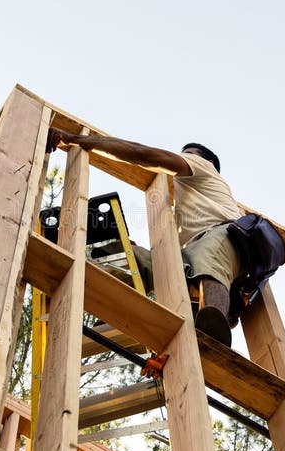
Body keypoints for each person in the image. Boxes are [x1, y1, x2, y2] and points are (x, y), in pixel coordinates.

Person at [46, 127, 244, 346]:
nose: (182, 157)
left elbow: (143, 154)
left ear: (208, 162)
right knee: (139, 259)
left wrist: (76, 139)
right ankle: (100, 301)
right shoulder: (190, 209)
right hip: (193, 256)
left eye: (188, 154)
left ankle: (213, 329)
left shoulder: (204, 167)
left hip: (224, 239)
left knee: (208, 257)